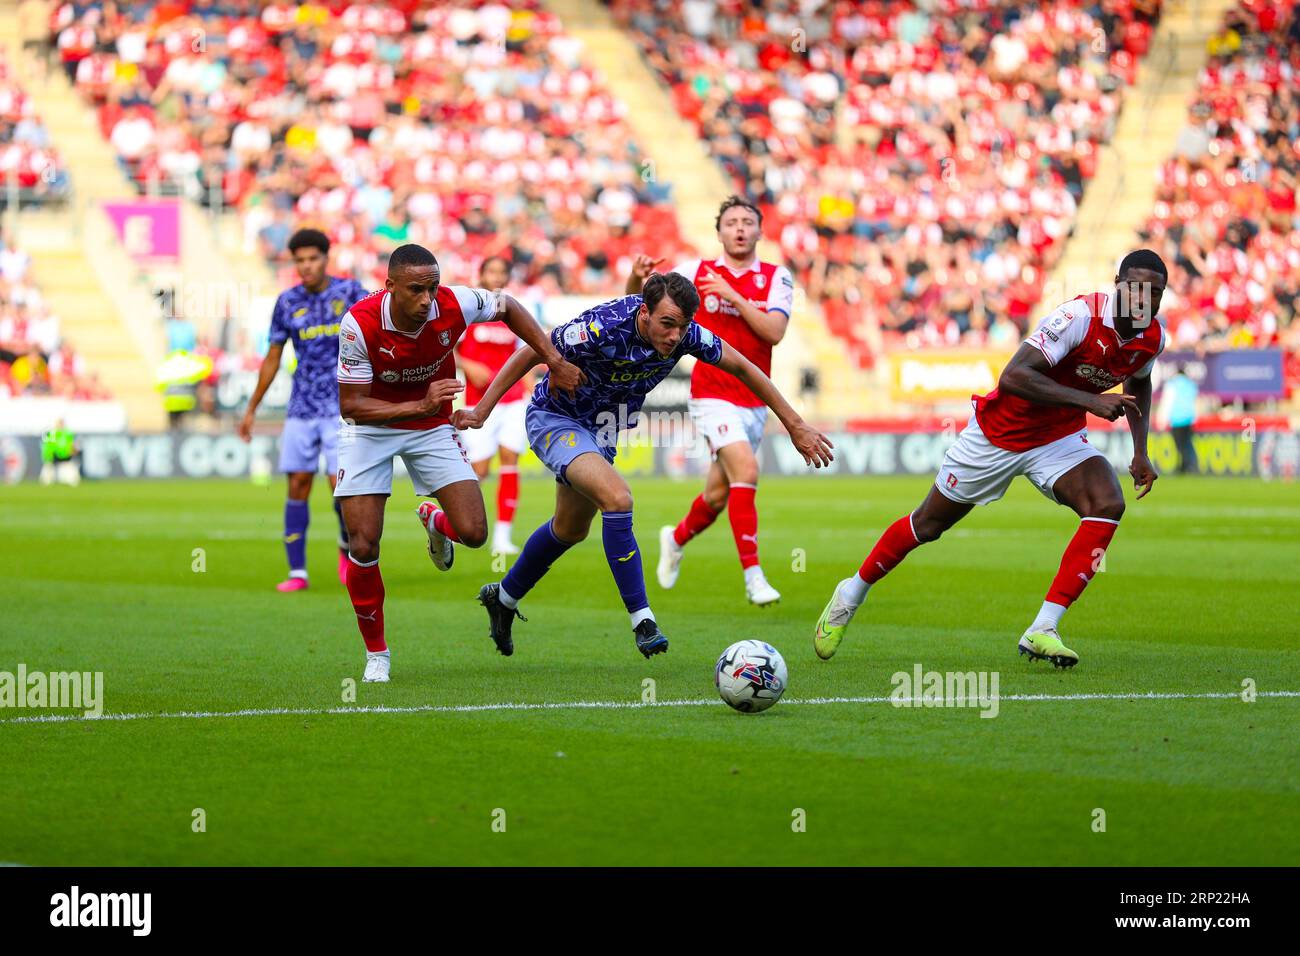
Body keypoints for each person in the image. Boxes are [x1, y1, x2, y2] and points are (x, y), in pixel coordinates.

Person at [814, 249, 1170, 669]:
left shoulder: (1153, 338)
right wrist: (1089, 400)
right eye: (1136, 288)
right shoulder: (1079, 317)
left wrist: (1140, 451)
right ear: (1118, 283)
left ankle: (1043, 628)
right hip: (997, 435)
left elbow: (1139, 382)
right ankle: (851, 592)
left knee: (1108, 503)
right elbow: (1015, 377)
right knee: (928, 525)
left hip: (1058, 439)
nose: (1144, 299)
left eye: (1155, 292)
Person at [461, 272, 833, 660]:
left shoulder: (685, 336)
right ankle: (643, 620)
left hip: (602, 430)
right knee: (618, 499)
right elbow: (531, 350)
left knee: (569, 529)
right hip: (555, 418)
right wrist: (484, 409)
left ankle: (502, 598)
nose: (675, 335)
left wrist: (794, 423)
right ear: (644, 313)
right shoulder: (601, 325)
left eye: (682, 325)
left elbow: (742, 366)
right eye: (667, 323)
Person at [334, 244, 581, 683]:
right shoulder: (359, 324)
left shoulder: (455, 302)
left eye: (432, 288)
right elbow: (351, 406)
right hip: (370, 429)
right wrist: (419, 401)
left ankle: (434, 521)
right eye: (415, 290)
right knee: (364, 545)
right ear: (390, 286)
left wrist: (553, 358)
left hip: (431, 425)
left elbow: (508, 306)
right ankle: (378, 654)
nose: (427, 299)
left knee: (473, 532)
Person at [626, 196, 794, 606]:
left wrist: (733, 295)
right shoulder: (695, 272)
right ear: (718, 231)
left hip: (754, 399)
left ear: (759, 231)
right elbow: (638, 307)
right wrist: (636, 278)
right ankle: (754, 577)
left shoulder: (776, 277)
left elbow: (774, 332)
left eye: (747, 221)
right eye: (731, 222)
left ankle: (675, 538)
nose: (739, 228)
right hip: (711, 393)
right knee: (748, 471)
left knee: (719, 496)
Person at [238, 229, 368, 592]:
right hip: (300, 408)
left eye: (313, 258)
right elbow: (273, 357)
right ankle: (297, 572)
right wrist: (252, 408)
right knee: (297, 485)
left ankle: (346, 549)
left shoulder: (352, 293)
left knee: (340, 487)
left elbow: (376, 339)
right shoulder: (286, 301)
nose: (306, 266)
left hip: (342, 408)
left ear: (327, 258)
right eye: (300, 260)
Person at [454, 256, 532, 554]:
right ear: (481, 274)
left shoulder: (514, 311)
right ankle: (458, 523)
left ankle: (502, 536)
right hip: (478, 401)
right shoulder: (468, 310)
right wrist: (469, 365)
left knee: (510, 459)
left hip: (512, 399)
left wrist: (531, 388)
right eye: (492, 272)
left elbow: (524, 354)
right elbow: (449, 352)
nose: (498, 277)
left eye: (503, 272)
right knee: (481, 468)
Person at [1163, 364, 1199, 474]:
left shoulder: (1172, 384)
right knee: (1187, 444)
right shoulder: (1191, 384)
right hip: (1189, 418)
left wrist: (1163, 419)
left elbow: (1167, 402)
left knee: (1179, 445)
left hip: (1176, 419)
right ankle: (1189, 466)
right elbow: (1195, 402)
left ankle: (1183, 467)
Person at [40, 419, 79, 486]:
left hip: (65, 455)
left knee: (70, 469)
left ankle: (72, 481)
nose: (60, 425)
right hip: (53, 455)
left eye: (61, 423)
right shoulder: (50, 433)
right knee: (48, 468)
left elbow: (72, 444)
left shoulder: (68, 433)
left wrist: (73, 451)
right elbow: (45, 446)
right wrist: (47, 455)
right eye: (59, 423)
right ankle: (46, 481)